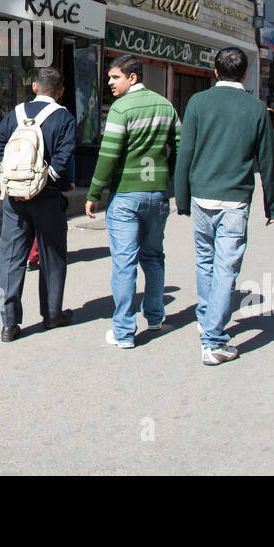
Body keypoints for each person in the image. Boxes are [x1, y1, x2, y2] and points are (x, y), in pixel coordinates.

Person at [174, 48, 274, 365]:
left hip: (202, 197)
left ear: (215, 72)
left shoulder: (197, 103)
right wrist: (272, 205)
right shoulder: (257, 108)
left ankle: (207, 317)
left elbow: (186, 153)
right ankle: (214, 339)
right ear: (245, 74)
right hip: (235, 200)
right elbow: (268, 162)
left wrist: (181, 198)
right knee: (226, 268)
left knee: (206, 261)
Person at [86, 55, 180, 350]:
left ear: (133, 78)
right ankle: (154, 316)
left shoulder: (120, 108)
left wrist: (94, 192)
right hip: (158, 195)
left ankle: (124, 331)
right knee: (153, 257)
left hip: (126, 195)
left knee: (124, 263)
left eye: (115, 77)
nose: (110, 83)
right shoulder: (166, 106)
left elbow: (109, 154)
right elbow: (180, 146)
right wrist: (169, 179)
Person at [0, 67, 77, 342]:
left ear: (34, 87)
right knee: (52, 256)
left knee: (10, 258)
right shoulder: (64, 118)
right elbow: (64, 158)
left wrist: (6, 177)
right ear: (61, 92)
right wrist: (45, 180)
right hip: (48, 197)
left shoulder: (14, 114)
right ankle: (52, 314)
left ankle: (8, 324)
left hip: (14, 197)